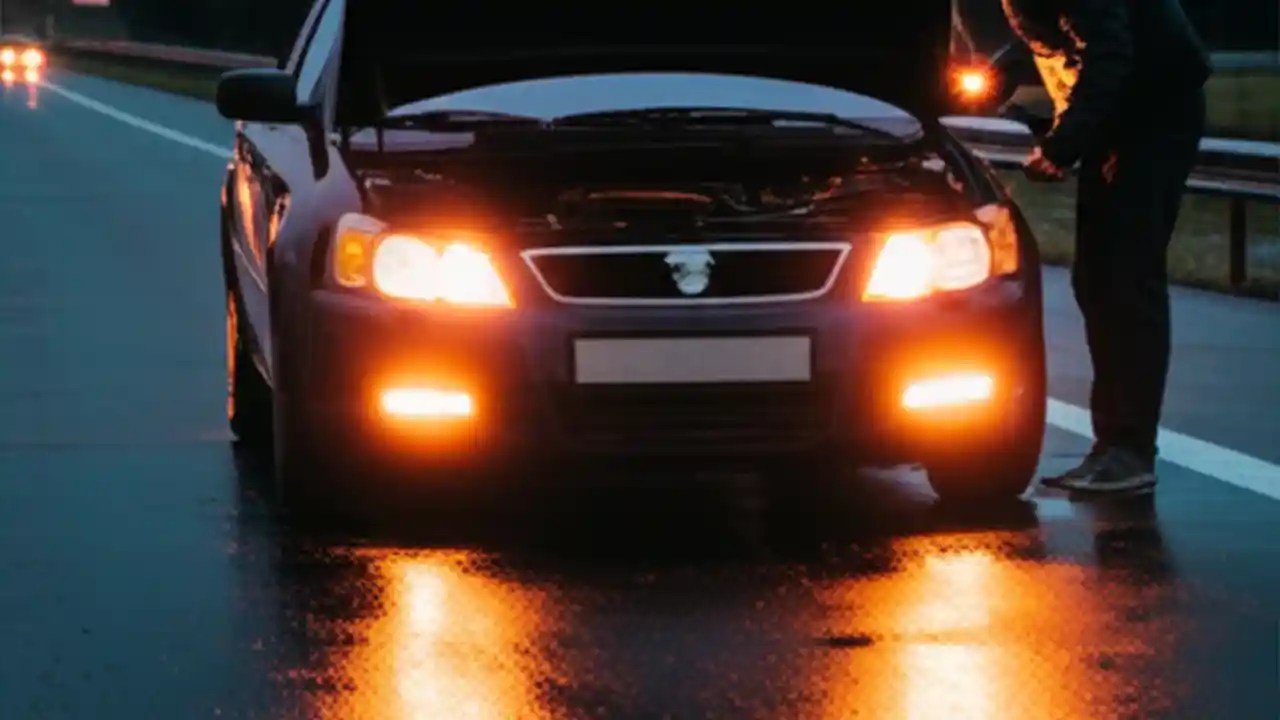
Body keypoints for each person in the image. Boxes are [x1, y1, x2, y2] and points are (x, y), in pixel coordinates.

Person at [994, 0, 1211, 494]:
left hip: (1151, 116)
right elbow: (1067, 36)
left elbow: (1108, 51)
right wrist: (1005, 66)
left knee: (1124, 281)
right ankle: (1113, 446)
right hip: (1125, 115)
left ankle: (1129, 451)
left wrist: (1060, 146)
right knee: (1097, 280)